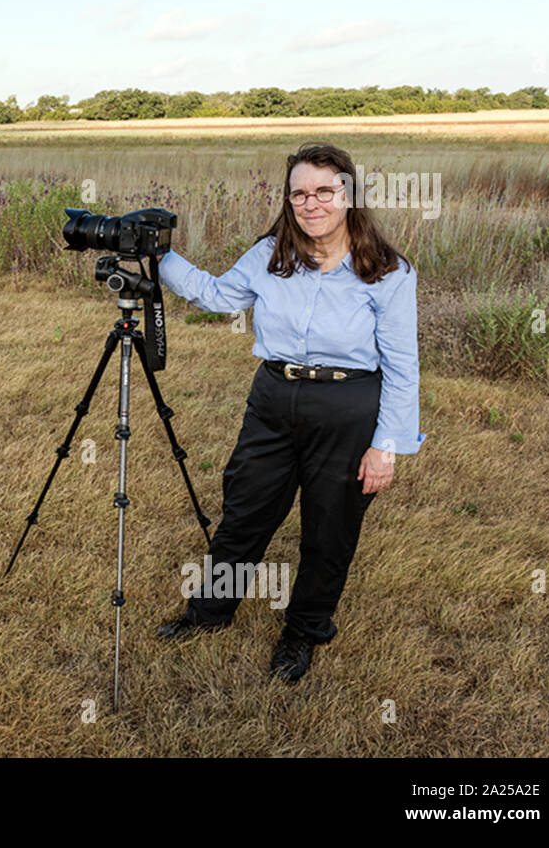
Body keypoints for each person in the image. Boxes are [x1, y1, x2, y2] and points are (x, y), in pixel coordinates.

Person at [153, 141, 425, 683]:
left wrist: (386, 445)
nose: (311, 203)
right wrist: (159, 257)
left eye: (325, 190)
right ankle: (208, 614)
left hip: (348, 407)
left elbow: (402, 364)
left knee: (329, 530)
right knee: (244, 514)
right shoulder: (270, 254)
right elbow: (216, 295)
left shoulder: (386, 270)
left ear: (349, 194)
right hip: (274, 398)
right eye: (299, 192)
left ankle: (303, 632)